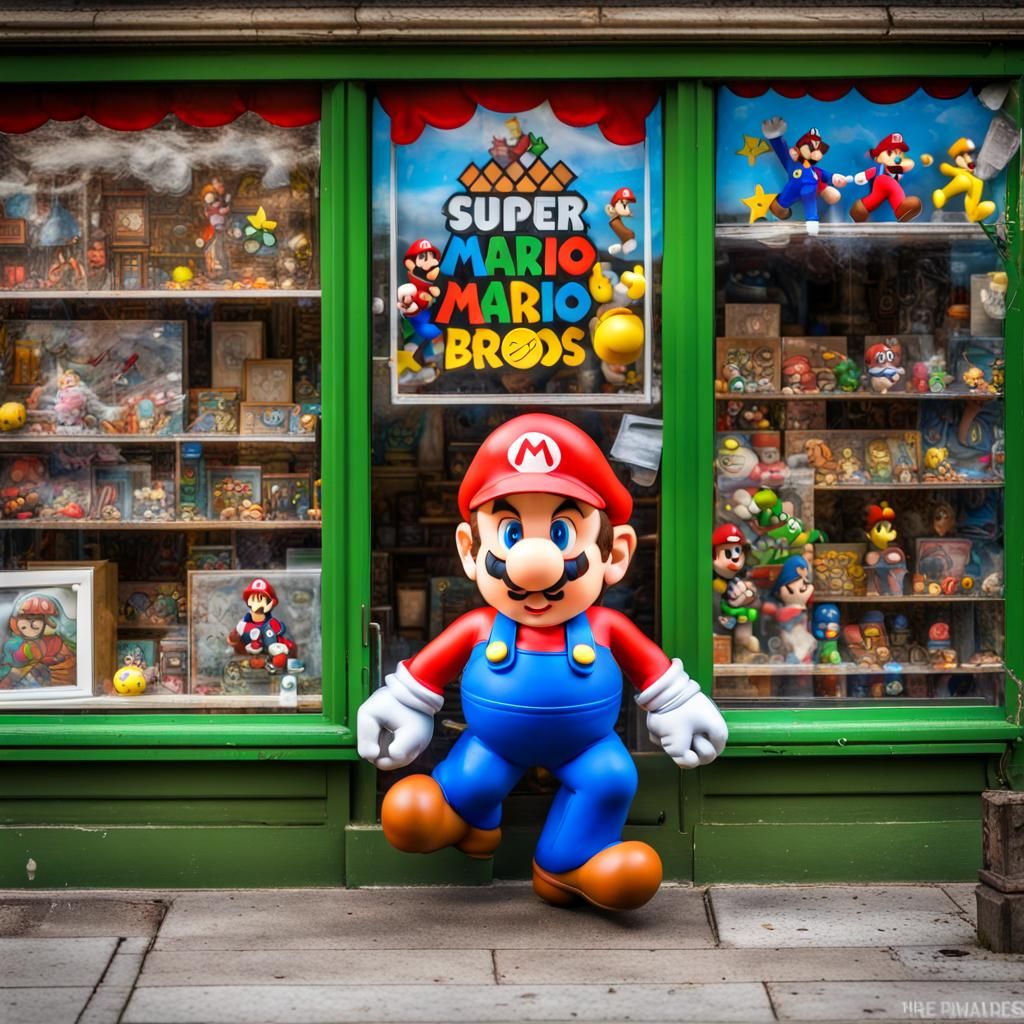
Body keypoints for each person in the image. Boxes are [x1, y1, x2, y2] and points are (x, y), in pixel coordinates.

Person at [358, 414, 727, 911]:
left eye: (561, 532)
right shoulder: (478, 626)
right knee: (467, 781)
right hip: (492, 745)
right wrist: (403, 703)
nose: (533, 565)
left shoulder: (606, 627)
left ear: (615, 554)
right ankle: (464, 819)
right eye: (510, 534)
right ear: (470, 550)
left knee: (611, 778)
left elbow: (654, 672)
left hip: (586, 746)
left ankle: (570, 863)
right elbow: (426, 674)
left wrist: (679, 704)